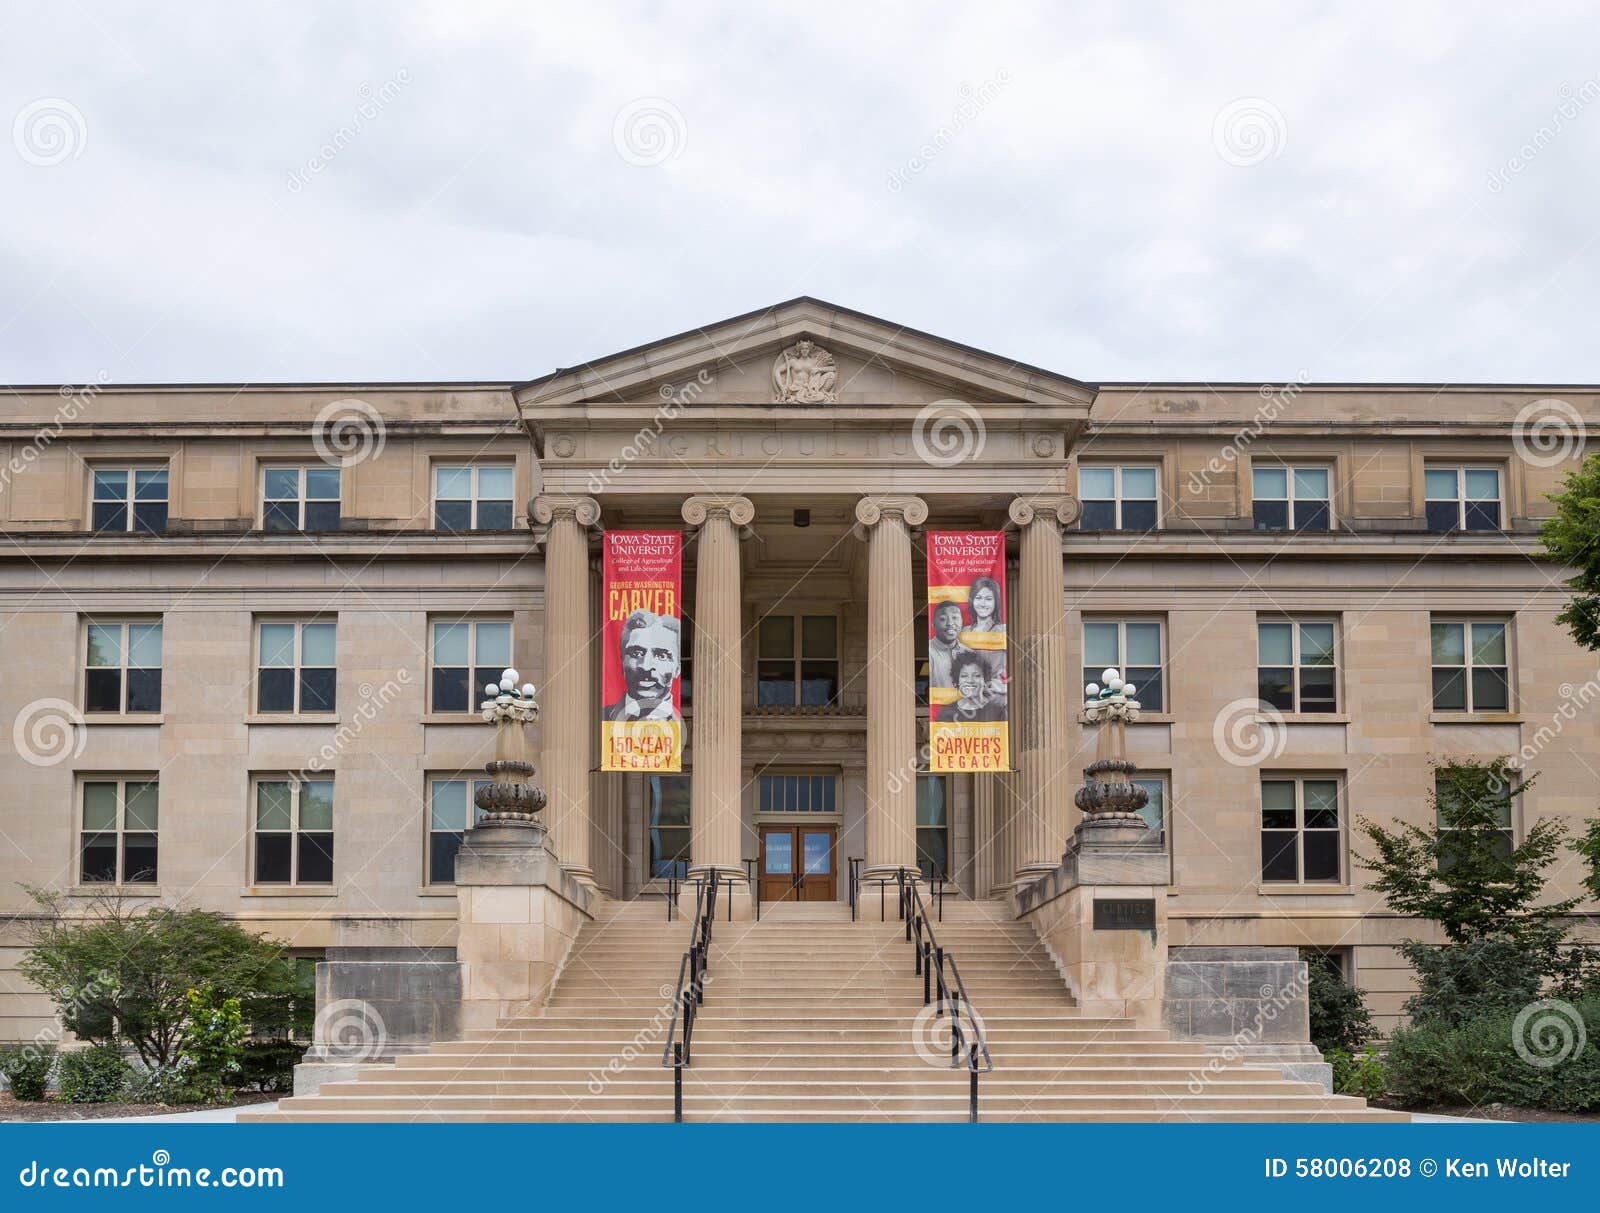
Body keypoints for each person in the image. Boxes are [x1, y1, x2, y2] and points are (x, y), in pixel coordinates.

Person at [602, 609, 682, 722]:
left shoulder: (684, 717)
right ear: (622, 661)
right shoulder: (603, 716)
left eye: (662, 656)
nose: (646, 666)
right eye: (636, 653)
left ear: (677, 668)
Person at [936, 650, 1008, 722]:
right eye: (964, 676)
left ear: (985, 681)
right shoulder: (945, 713)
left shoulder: (998, 711)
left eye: (977, 676)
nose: (970, 681)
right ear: (957, 681)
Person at [926, 599, 970, 689]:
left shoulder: (969, 652)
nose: (950, 623)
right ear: (933, 624)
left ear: (962, 622)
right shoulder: (928, 651)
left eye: (955, 618)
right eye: (943, 619)